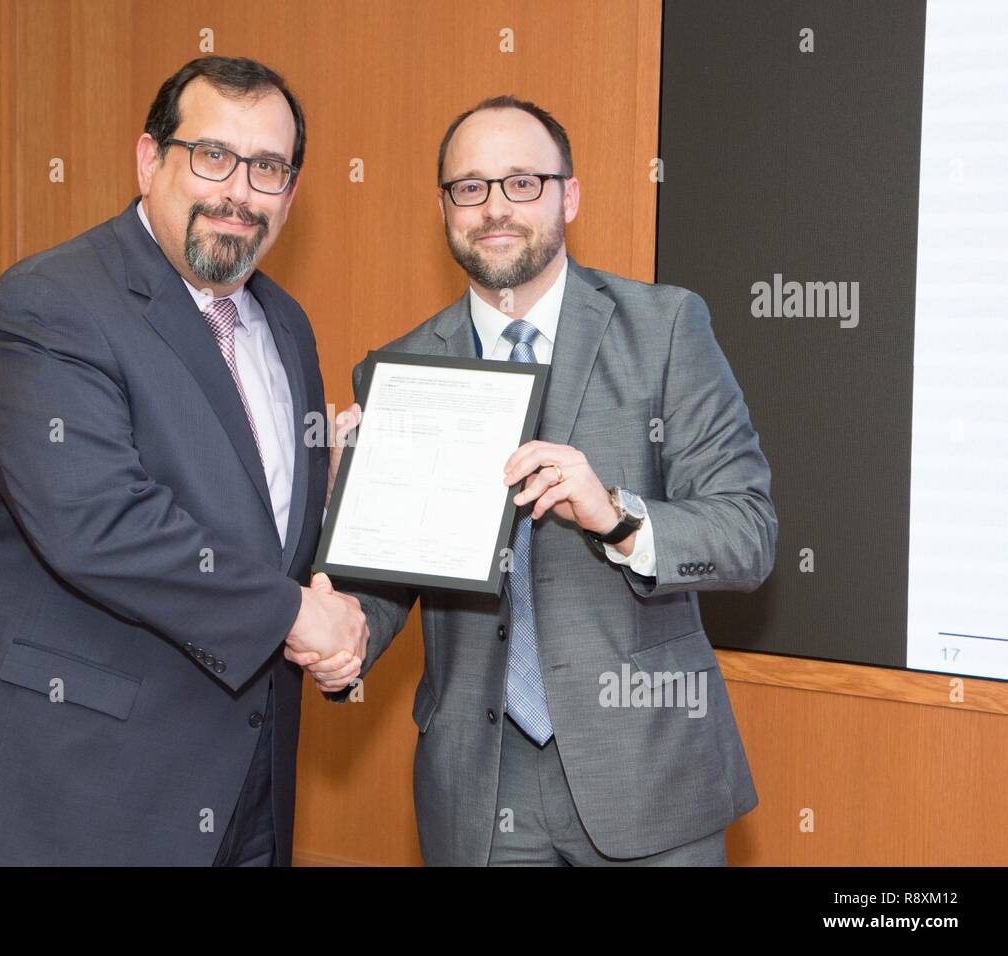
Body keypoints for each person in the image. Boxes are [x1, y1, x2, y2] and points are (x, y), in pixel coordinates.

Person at [297, 95, 777, 866]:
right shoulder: (399, 369)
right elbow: (392, 576)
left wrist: (618, 517)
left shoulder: (665, 330)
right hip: (481, 788)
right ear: (445, 206)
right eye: (470, 187)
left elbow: (747, 534)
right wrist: (340, 612)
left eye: (523, 182)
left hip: (645, 772)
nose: (495, 208)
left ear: (569, 195)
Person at [0, 55, 366, 866]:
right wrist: (299, 615)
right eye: (212, 156)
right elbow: (99, 522)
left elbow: (259, 527)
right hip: (76, 800)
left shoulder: (285, 325)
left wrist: (341, 504)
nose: (239, 191)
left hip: (245, 795)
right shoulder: (49, 304)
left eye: (268, 168)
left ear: (292, 192)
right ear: (148, 159)